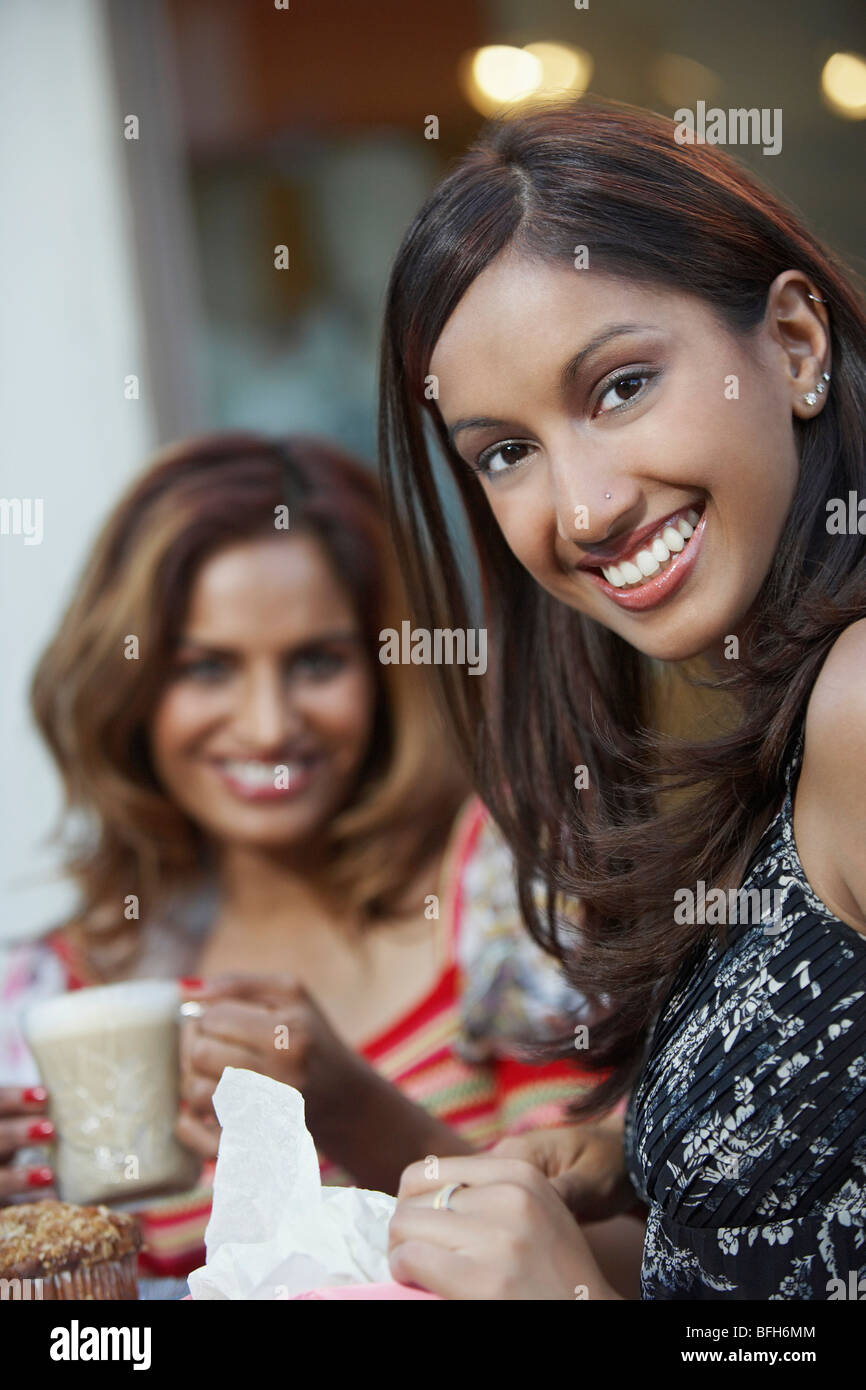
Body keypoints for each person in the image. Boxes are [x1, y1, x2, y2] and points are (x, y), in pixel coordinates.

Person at [378, 98, 866, 1299]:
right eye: (504, 452)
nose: (582, 508)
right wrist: (646, 1177)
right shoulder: (769, 726)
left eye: (619, 386)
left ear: (794, 345)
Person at [0, 432, 593, 1281]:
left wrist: (359, 1115)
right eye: (207, 668)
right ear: (124, 689)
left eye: (318, 661)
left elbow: (621, 1263)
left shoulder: (506, 894)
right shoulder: (52, 1001)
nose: (271, 724)